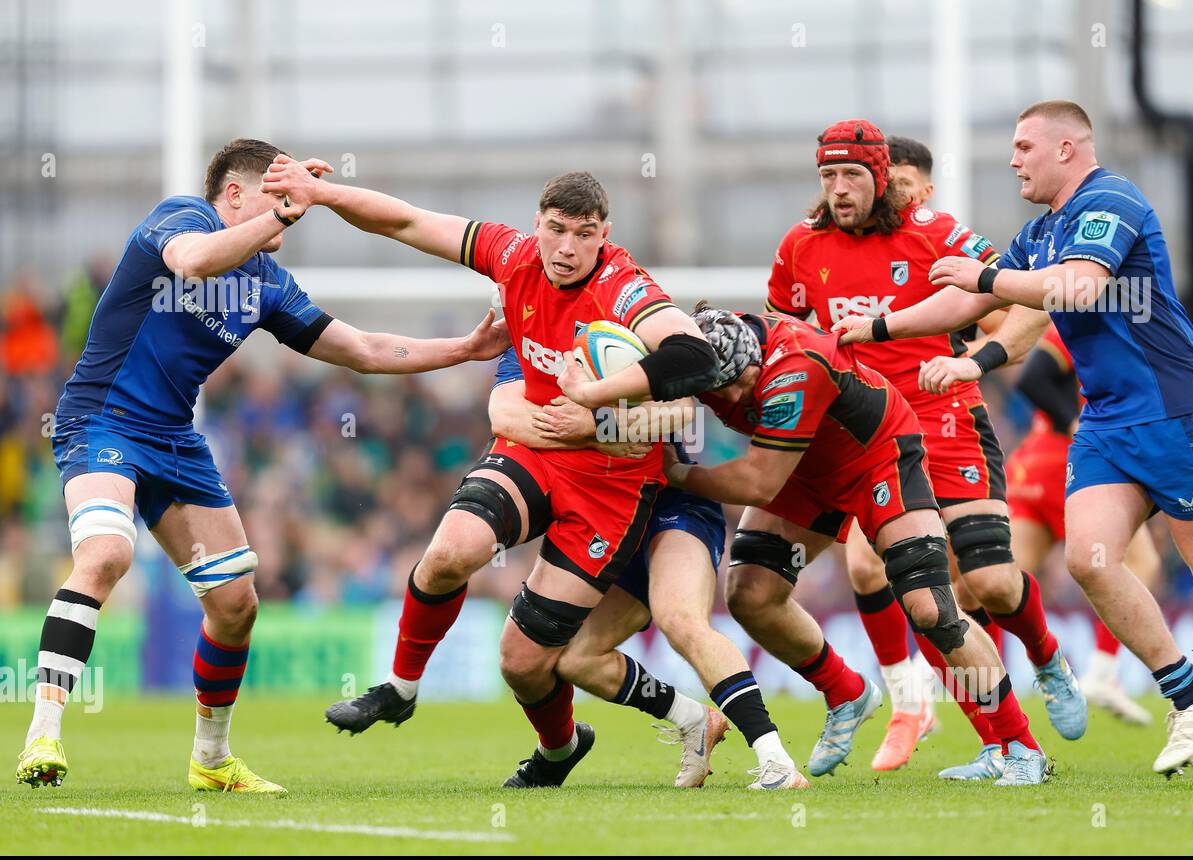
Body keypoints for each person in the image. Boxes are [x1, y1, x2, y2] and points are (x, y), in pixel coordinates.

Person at [15, 138, 509, 793]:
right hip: (102, 419)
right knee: (106, 554)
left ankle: (211, 759)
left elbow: (360, 348)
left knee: (236, 602)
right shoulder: (183, 219)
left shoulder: (266, 283)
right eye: (276, 196)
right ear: (236, 195)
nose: (290, 209)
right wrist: (280, 214)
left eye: (292, 198)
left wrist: (466, 349)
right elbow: (189, 264)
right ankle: (42, 734)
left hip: (173, 438)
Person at [836, 100, 1193, 786]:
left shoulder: (1111, 199)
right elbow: (1003, 311)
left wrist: (984, 279)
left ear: (1066, 149)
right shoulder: (1043, 230)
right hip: (1107, 419)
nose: (1014, 158)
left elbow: (1077, 289)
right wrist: (900, 335)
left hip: (1176, 410)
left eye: (1024, 146)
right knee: (1089, 559)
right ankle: (1191, 693)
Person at [275, 160, 729, 788]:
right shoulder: (510, 255)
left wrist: (600, 406)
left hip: (614, 486)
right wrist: (322, 193)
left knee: (522, 662)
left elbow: (694, 357)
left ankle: (582, 746)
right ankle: (403, 687)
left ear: (606, 234)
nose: (567, 248)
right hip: (536, 452)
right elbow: (405, 220)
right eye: (556, 229)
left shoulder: (626, 290)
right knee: (448, 553)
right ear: (536, 225)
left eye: (585, 233)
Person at [765, 122, 1083, 775]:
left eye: (853, 174)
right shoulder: (801, 246)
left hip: (944, 419)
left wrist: (977, 357)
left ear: (886, 180)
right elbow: (787, 330)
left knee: (989, 581)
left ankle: (1048, 659)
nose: (839, 188)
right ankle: (948, 719)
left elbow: (1022, 293)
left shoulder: (931, 231)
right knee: (894, 581)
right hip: (872, 434)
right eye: (829, 175)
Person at [668, 304, 1050, 785]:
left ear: (756, 359)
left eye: (741, 383)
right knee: (750, 595)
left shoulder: (797, 365)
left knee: (931, 607)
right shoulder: (696, 359)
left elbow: (758, 482)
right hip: (805, 468)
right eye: (717, 391)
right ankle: (846, 692)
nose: (734, 398)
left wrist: (676, 473)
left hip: (878, 458)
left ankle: (1021, 746)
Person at [489, 345, 805, 788]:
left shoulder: (631, 330)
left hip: (672, 505)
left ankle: (775, 760)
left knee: (680, 619)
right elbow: (505, 417)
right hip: (608, 518)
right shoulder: (532, 348)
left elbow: (681, 412)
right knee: (576, 659)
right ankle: (693, 719)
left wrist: (598, 424)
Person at [1004, 323, 1155, 726]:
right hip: (1071, 465)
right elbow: (1033, 379)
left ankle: (926, 679)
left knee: (999, 585)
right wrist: (1077, 427)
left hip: (1030, 468)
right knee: (1140, 561)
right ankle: (1102, 673)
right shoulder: (1086, 320)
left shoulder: (1101, 322)